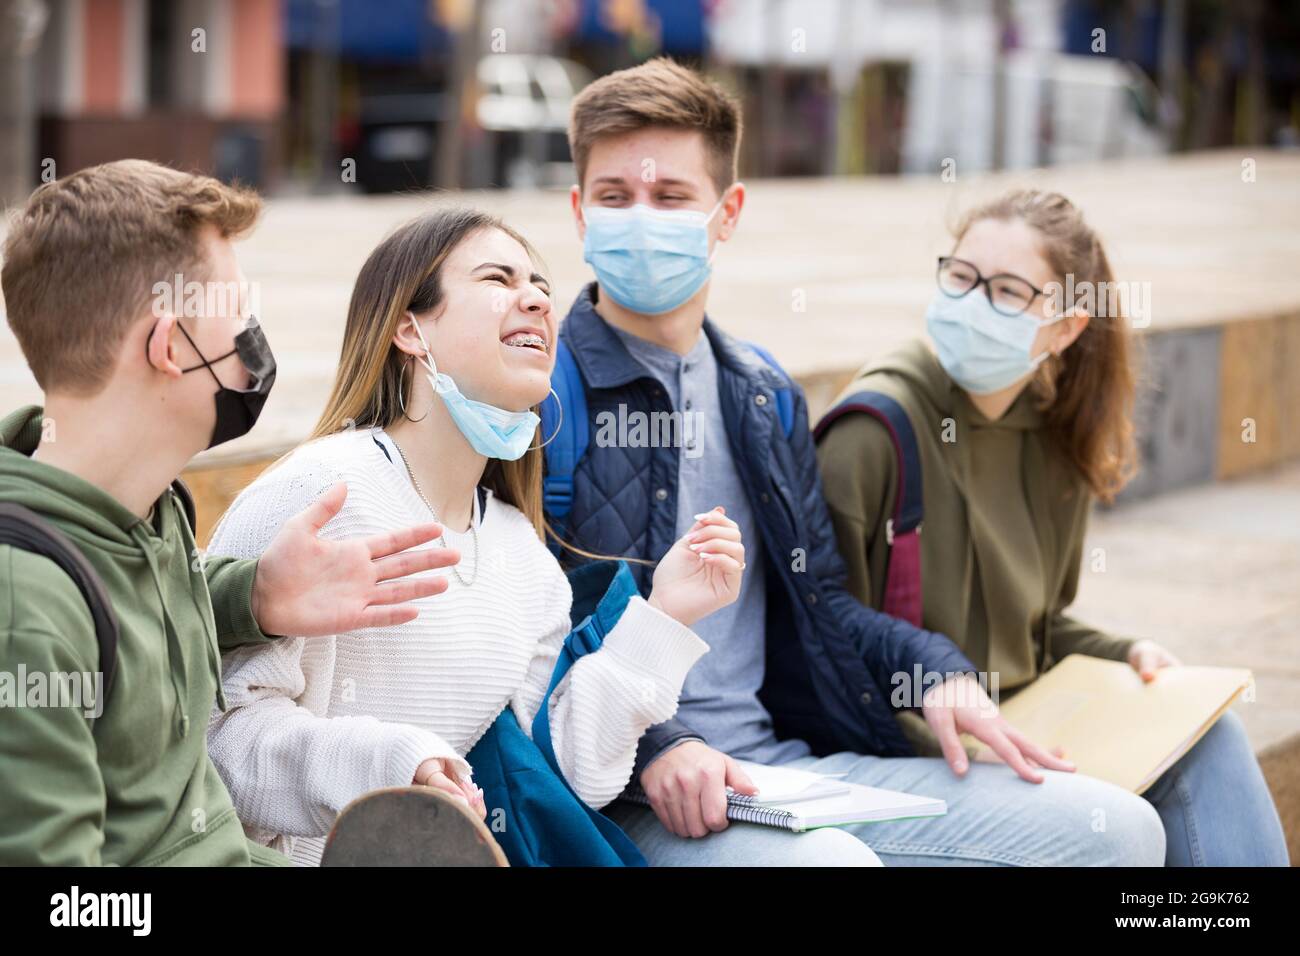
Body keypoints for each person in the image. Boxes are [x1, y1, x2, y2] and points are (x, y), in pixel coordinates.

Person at [544, 57, 1168, 865]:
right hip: (633, 794)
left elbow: (825, 601)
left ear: (727, 213)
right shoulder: (541, 394)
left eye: (670, 198)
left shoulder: (761, 391)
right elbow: (533, 624)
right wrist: (662, 741)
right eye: (615, 196)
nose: (640, 218)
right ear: (579, 212)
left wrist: (938, 671)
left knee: (1119, 832)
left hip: (783, 771)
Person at [202, 208, 769, 866]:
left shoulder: (519, 552)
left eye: (539, 285)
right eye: (498, 279)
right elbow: (221, 745)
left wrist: (667, 614)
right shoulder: (315, 496)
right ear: (410, 329)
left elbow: (576, 772)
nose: (535, 297)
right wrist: (392, 764)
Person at [815, 188, 1290, 867]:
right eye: (961, 277)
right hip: (912, 747)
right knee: (1121, 826)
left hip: (1019, 720)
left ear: (1065, 328)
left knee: (1216, 738)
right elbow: (820, 636)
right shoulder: (874, 430)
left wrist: (1123, 652)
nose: (973, 304)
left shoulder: (1050, 432)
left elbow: (1031, 627)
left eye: (1007, 291)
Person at [0, 160, 453, 865]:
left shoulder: (138, 512)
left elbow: (126, 617)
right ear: (169, 346)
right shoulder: (24, 609)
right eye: (238, 313)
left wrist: (254, 597)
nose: (253, 337)